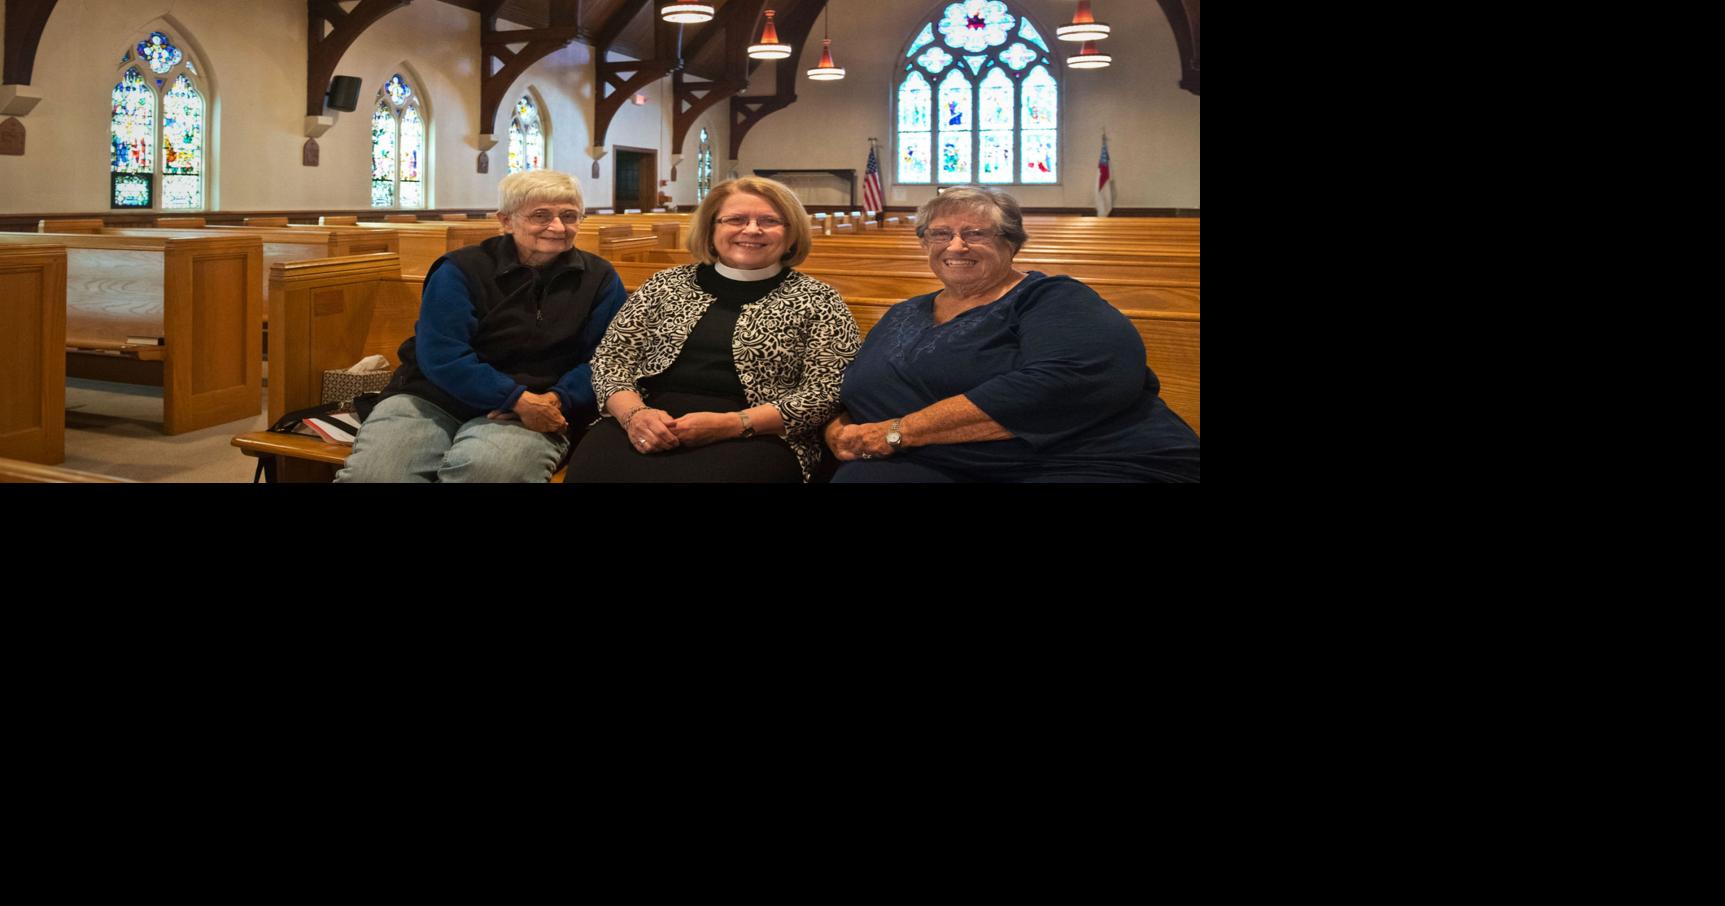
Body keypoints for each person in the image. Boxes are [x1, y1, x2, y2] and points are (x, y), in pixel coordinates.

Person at [824, 186, 1200, 482]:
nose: (956, 245)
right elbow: (861, 383)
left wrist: (900, 431)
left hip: (1084, 458)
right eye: (940, 234)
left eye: (975, 233)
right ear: (924, 244)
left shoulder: (1051, 298)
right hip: (940, 458)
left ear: (1011, 242)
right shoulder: (906, 311)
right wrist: (839, 427)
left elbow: (1070, 379)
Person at [336, 170, 625, 482]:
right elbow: (443, 354)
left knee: (489, 472)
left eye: (569, 215)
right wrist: (513, 398)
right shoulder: (460, 269)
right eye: (540, 215)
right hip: (434, 397)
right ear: (505, 221)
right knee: (378, 475)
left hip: (541, 404)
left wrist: (556, 399)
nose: (557, 227)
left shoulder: (599, 279)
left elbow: (607, 358)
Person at [565, 177, 859, 482]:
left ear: (791, 233)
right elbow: (610, 360)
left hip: (762, 433)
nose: (752, 229)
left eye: (770, 221)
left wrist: (734, 424)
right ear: (711, 228)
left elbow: (826, 392)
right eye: (736, 219)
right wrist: (634, 415)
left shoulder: (819, 300)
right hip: (646, 419)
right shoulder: (664, 285)